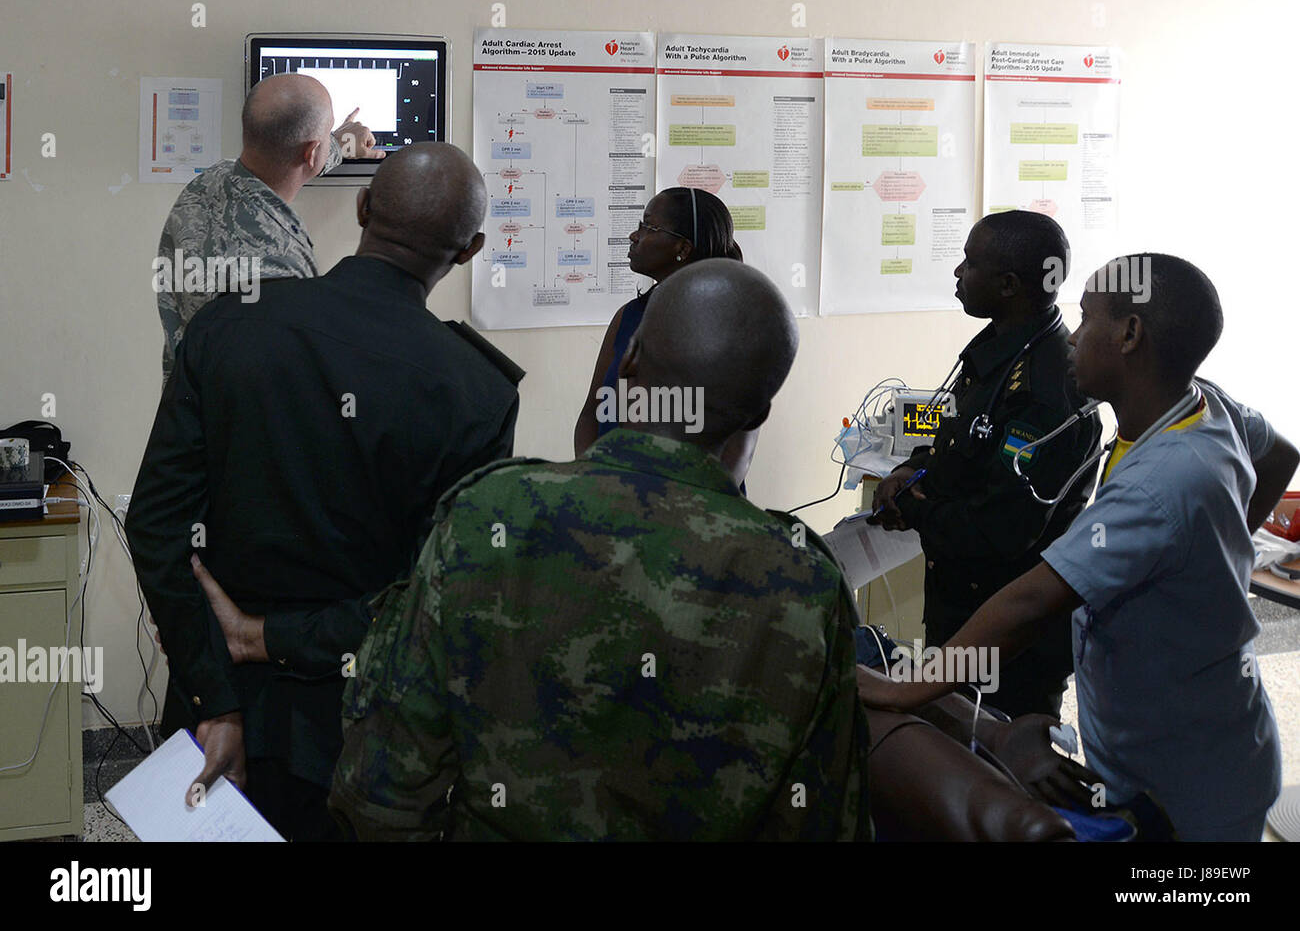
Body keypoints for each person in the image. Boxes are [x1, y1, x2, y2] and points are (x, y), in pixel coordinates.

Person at [329, 260, 872, 841]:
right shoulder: (802, 584)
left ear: (631, 358)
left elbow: (384, 789)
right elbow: (821, 822)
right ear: (760, 410)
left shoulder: (490, 514)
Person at [125, 142, 523, 840]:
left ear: (365, 206)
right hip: (363, 733)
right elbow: (432, 598)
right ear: (470, 250)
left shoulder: (228, 326)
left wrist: (215, 700)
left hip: (213, 705)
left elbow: (155, 526)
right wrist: (267, 638)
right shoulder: (476, 392)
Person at [859, 253, 1296, 841]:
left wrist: (903, 688)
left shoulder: (1164, 482)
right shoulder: (1203, 402)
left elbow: (1031, 601)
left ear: (1129, 335)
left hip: (1194, 778)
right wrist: (1219, 551)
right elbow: (1279, 455)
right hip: (1175, 728)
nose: (1072, 335)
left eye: (1086, 317)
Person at [868, 211, 1100, 718]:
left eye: (970, 263)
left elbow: (1001, 530)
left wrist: (914, 510)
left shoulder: (1045, 392)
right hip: (960, 613)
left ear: (1009, 284)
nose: (957, 273)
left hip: (1010, 639)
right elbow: (958, 433)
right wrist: (915, 467)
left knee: (1000, 770)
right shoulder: (997, 349)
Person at [154, 72, 385, 383]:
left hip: (182, 410)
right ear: (310, 152)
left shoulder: (207, 184)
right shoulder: (278, 266)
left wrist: (339, 141)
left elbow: (303, 153)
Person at [573, 188, 758, 487]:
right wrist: (591, 477)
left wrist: (673, 512)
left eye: (648, 227)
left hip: (696, 515)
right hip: (612, 504)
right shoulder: (628, 317)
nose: (635, 236)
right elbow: (591, 415)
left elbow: (738, 455)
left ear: (682, 248)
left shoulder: (731, 331)